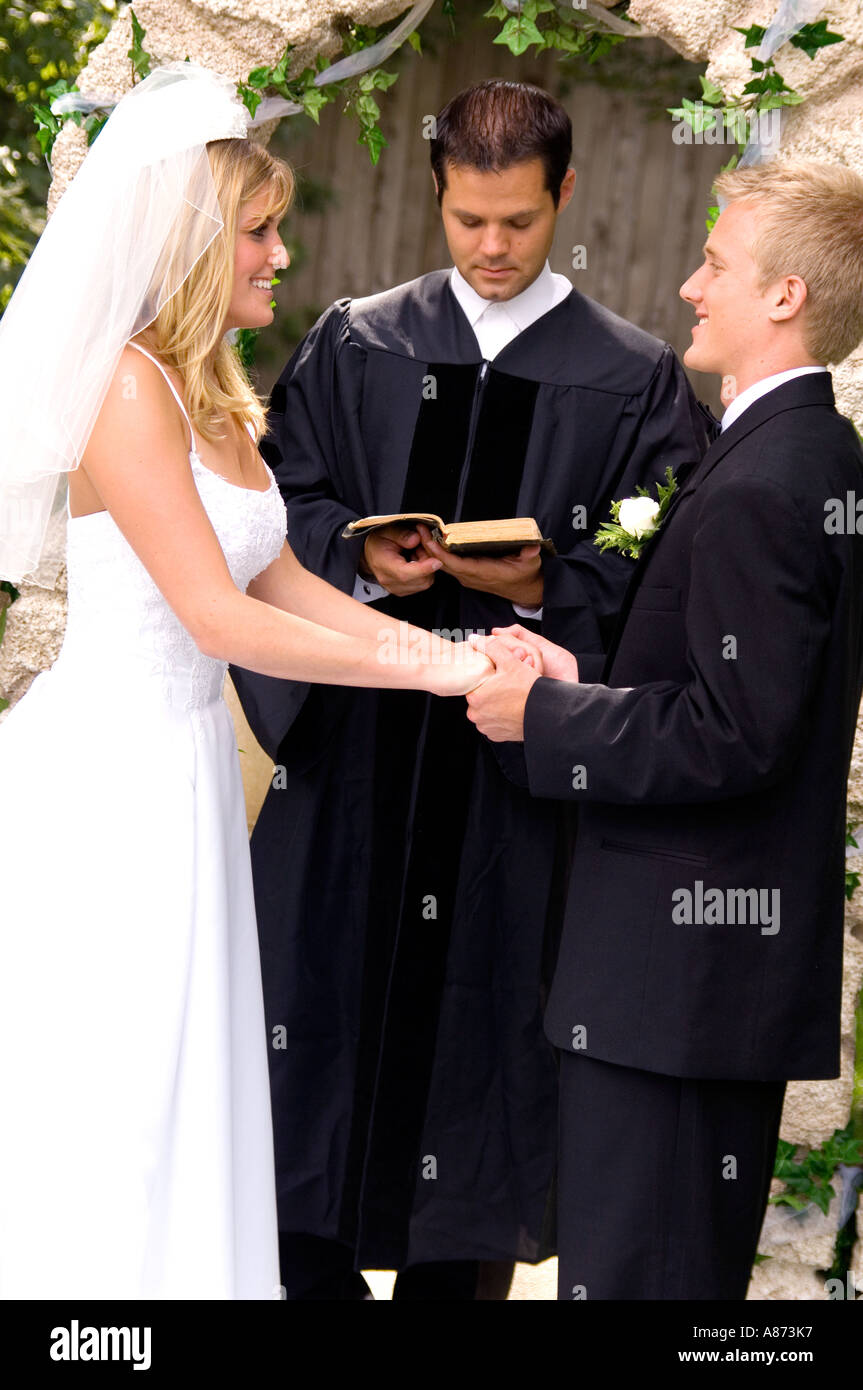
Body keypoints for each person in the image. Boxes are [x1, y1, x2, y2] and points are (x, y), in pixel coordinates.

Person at [0, 64, 490, 1300]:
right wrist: (429, 668)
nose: (280, 252)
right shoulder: (125, 387)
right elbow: (217, 615)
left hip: (186, 774)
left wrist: (438, 648)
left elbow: (277, 581)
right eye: (258, 231)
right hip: (111, 778)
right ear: (191, 241)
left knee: (181, 1069)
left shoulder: (213, 391)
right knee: (114, 1074)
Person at [230, 78, 715, 1300]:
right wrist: (361, 551)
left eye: (517, 221)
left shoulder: (633, 375)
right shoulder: (358, 340)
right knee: (317, 1028)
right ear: (438, 198)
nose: (490, 250)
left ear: (564, 197)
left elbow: (661, 568)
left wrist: (554, 581)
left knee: (478, 1043)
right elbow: (277, 504)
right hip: (354, 761)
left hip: (508, 784)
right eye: (464, 221)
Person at [467, 159, 863, 1299]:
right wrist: (579, 672)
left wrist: (542, 717)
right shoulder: (799, 456)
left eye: (717, 265)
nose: (690, 286)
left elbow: (736, 737)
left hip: (675, 990)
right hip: (686, 986)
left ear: (783, 295)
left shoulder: (763, 481)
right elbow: (722, 684)